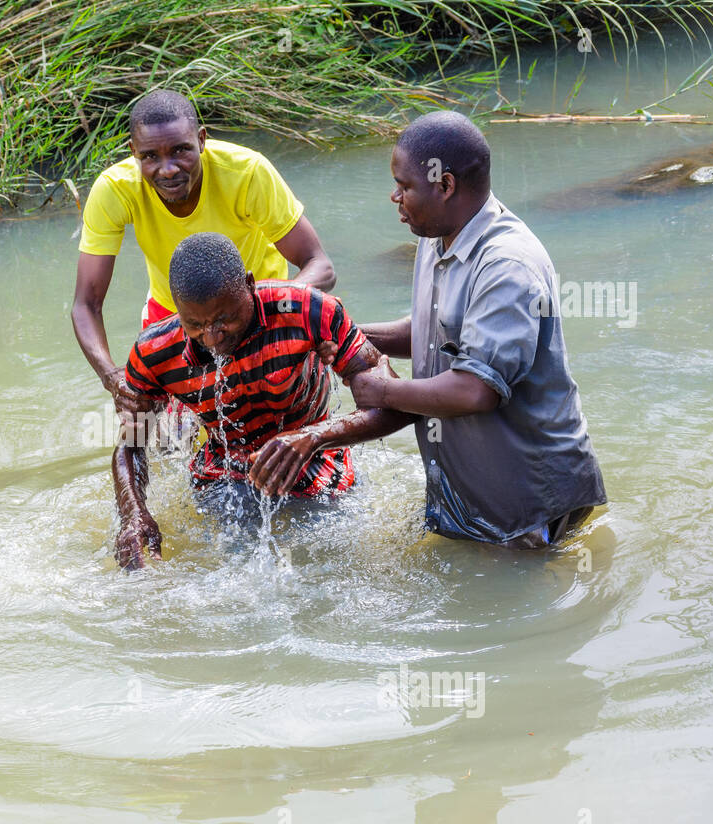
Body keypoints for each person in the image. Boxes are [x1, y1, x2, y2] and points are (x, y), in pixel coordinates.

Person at [320, 110, 606, 548]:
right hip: (471, 498)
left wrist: (381, 391)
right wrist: (342, 334)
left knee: (527, 612)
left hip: (527, 511)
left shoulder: (507, 266)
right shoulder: (436, 234)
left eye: (404, 186)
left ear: (445, 185)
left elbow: (475, 390)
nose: (394, 197)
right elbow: (434, 331)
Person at [112, 233, 413, 569]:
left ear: (249, 286)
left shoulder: (308, 311)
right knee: (229, 575)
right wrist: (133, 515)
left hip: (319, 464)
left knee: (334, 567)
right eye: (195, 324)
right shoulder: (155, 352)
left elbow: (393, 407)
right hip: (223, 477)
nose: (212, 337)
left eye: (224, 318)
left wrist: (312, 437)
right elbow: (131, 442)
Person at [72, 89, 336, 422]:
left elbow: (319, 265)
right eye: (150, 156)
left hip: (258, 315)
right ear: (134, 153)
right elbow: (86, 303)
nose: (167, 170)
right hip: (176, 317)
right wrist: (112, 377)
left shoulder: (247, 173)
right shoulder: (115, 189)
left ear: (201, 140)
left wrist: (282, 316)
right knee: (152, 432)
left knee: (286, 429)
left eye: (181, 150)